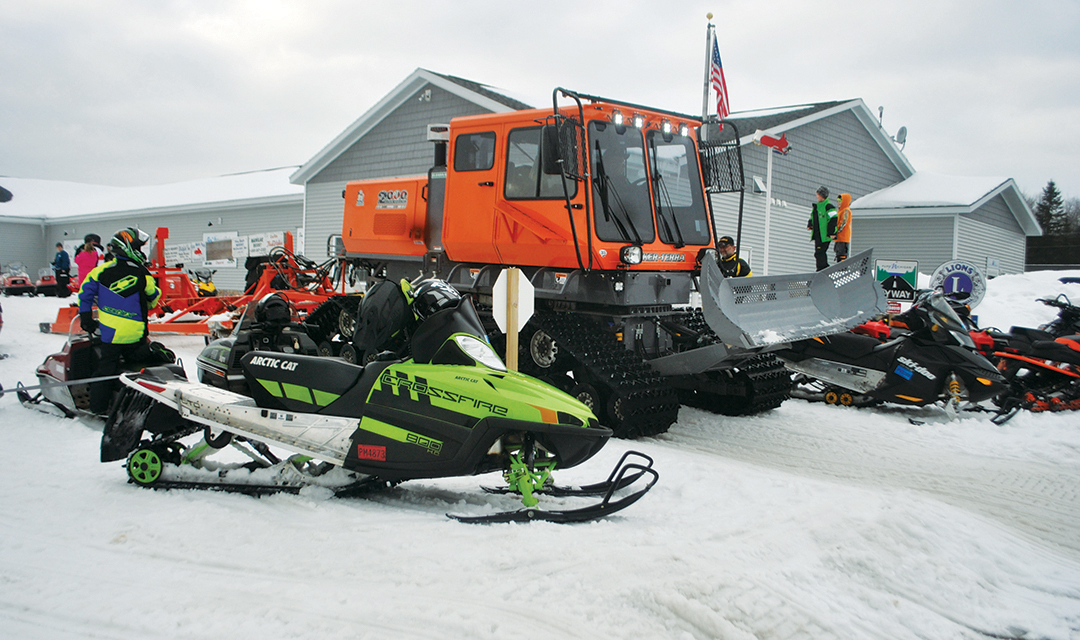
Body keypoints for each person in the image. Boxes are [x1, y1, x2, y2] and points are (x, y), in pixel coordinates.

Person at [78, 228, 170, 415]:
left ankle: (99, 409)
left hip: (110, 334)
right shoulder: (142, 272)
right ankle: (150, 352)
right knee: (135, 358)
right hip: (137, 332)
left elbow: (84, 294)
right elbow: (153, 297)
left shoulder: (100, 271)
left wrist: (86, 318)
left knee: (105, 370)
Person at [807, 186, 836, 271]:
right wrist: (810, 224)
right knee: (818, 253)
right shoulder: (816, 207)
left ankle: (823, 269)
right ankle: (821, 268)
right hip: (817, 234)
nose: (817, 196)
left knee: (820, 252)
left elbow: (833, 219)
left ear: (822, 196)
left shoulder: (828, 206)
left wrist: (831, 232)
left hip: (825, 235)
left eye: (818, 195)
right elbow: (813, 217)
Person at [832, 193, 852, 263]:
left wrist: (836, 231)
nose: (838, 203)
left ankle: (842, 270)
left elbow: (843, 222)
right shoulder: (839, 211)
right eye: (837, 201)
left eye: (840, 201)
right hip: (839, 238)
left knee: (842, 255)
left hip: (843, 237)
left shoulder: (846, 210)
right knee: (838, 254)